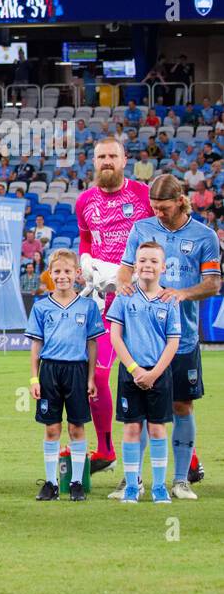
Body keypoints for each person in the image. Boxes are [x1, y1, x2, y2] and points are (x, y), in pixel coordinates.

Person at [117, 174, 220, 498]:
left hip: (182, 338)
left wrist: (182, 294)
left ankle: (180, 480)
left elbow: (213, 283)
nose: (158, 213)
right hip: (141, 341)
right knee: (140, 412)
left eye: (163, 208)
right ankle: (132, 480)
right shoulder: (142, 229)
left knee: (182, 408)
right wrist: (123, 284)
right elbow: (124, 267)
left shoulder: (204, 236)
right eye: (154, 208)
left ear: (180, 201)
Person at [76, 137, 154, 472]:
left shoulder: (143, 195)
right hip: (106, 305)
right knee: (97, 376)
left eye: (112, 156)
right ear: (93, 161)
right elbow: (86, 239)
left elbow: (160, 235)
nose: (106, 161)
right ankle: (106, 451)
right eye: (100, 156)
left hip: (145, 301)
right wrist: (85, 260)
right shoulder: (84, 201)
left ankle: (187, 456)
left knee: (159, 378)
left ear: (125, 160)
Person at [25, 249, 104, 501]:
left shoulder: (88, 306)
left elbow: (92, 344)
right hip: (50, 370)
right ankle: (51, 483)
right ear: (50, 274)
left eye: (67, 271)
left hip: (77, 371)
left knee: (76, 426)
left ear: (77, 274)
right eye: (57, 272)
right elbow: (36, 346)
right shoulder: (41, 307)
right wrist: (34, 378)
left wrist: (91, 378)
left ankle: (77, 482)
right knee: (52, 428)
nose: (62, 276)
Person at [106, 242, 181, 504]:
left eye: (153, 261)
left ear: (163, 266)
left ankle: (159, 486)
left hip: (159, 375)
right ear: (135, 265)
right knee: (131, 428)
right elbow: (115, 335)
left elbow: (173, 342)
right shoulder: (124, 296)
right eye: (143, 261)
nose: (147, 265)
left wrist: (153, 373)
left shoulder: (170, 299)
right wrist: (135, 369)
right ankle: (132, 486)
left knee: (158, 428)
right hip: (130, 373)